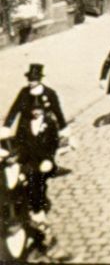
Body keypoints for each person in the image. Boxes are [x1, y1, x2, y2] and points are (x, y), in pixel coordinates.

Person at [13, 99, 59, 252]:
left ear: (43, 110)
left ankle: (39, 208)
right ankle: (34, 209)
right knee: (27, 183)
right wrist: (19, 160)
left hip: (43, 161)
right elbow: (19, 140)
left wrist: (48, 159)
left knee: (39, 183)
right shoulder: (25, 122)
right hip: (28, 160)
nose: (36, 112)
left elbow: (53, 143)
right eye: (33, 110)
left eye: (38, 109)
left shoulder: (50, 123)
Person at [4, 64, 68, 140]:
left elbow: (57, 111)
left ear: (39, 79)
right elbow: (14, 109)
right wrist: (7, 126)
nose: (30, 82)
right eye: (29, 79)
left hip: (45, 127)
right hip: (25, 127)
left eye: (33, 80)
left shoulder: (50, 93)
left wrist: (63, 127)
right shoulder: (24, 92)